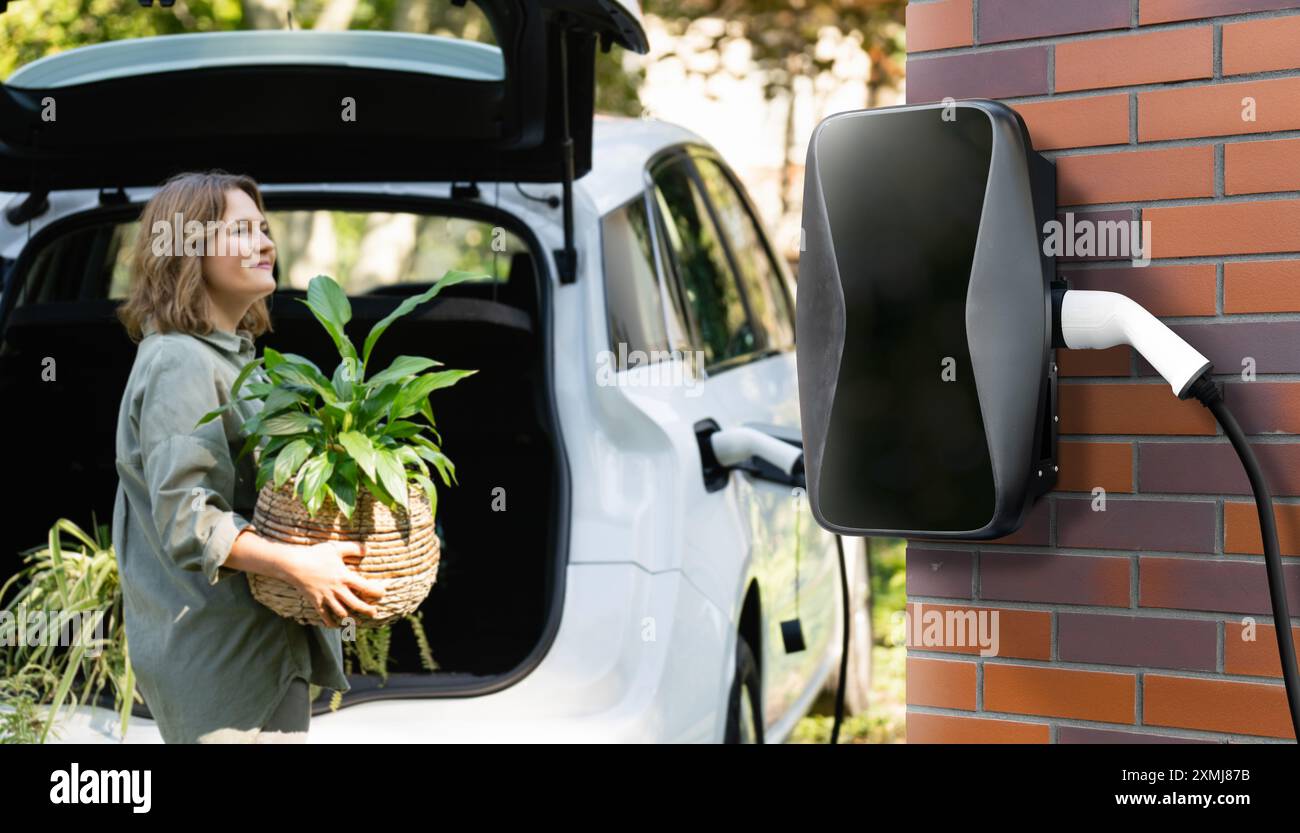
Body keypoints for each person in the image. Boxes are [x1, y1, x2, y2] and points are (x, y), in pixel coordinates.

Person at [111, 170, 385, 743]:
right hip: (222, 663)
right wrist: (300, 566)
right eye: (241, 231)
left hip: (256, 650)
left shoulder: (238, 363)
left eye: (264, 228)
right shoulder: (180, 361)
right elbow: (188, 519)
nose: (265, 243)